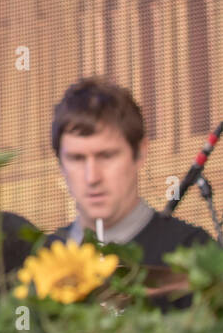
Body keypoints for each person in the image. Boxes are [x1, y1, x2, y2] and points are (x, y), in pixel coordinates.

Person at [49, 78, 214, 263]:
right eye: (77, 158)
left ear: (140, 152)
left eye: (107, 156)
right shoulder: (39, 260)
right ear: (60, 163)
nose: (92, 177)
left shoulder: (193, 253)